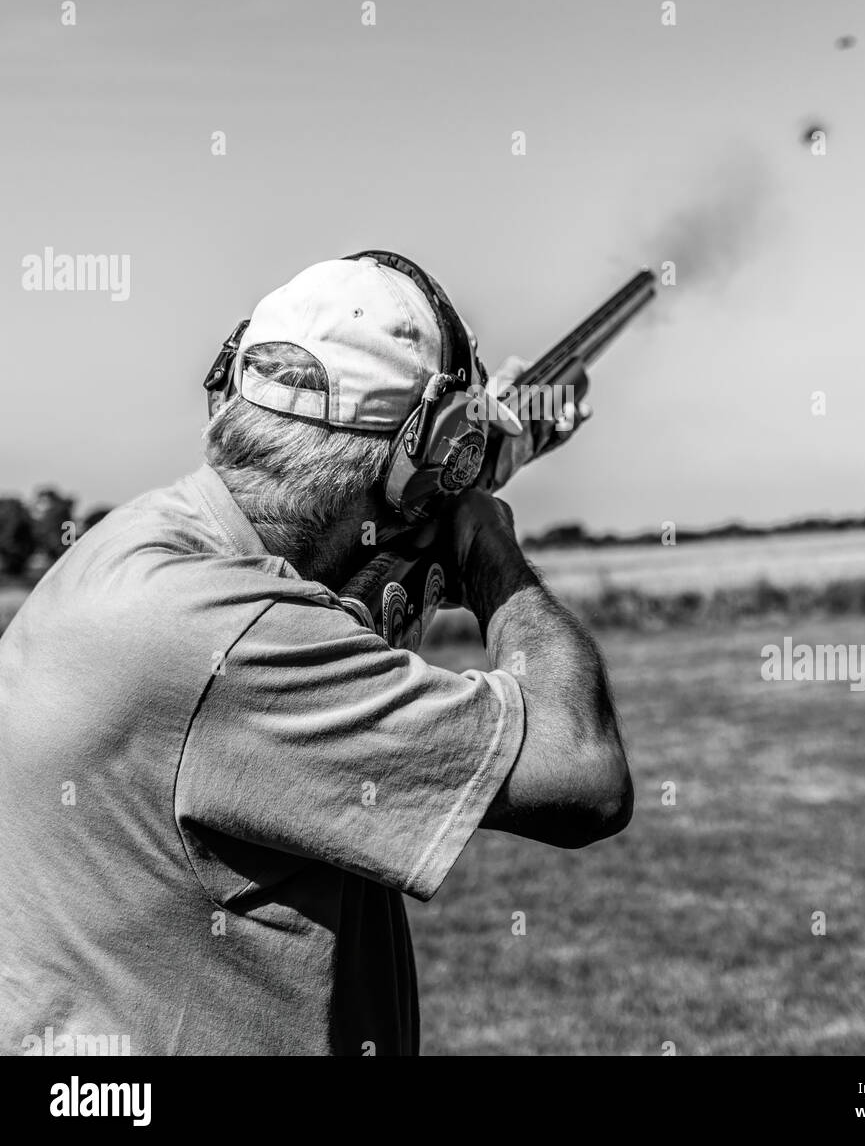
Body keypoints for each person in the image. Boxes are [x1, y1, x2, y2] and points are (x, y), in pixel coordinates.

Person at [0, 252, 632, 1057]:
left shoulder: (147, 553)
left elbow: (347, 571)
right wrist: (486, 543)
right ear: (415, 477)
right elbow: (581, 773)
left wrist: (473, 459)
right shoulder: (238, 639)